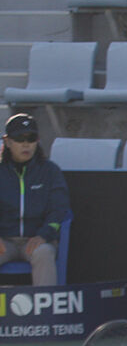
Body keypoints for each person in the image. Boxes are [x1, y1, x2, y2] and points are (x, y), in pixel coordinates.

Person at [0, 114, 69, 286]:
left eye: (31, 138)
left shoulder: (50, 171)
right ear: (7, 142)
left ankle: (46, 308)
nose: (26, 144)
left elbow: (59, 208)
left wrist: (44, 235)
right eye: (19, 138)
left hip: (37, 239)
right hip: (4, 241)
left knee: (44, 253)